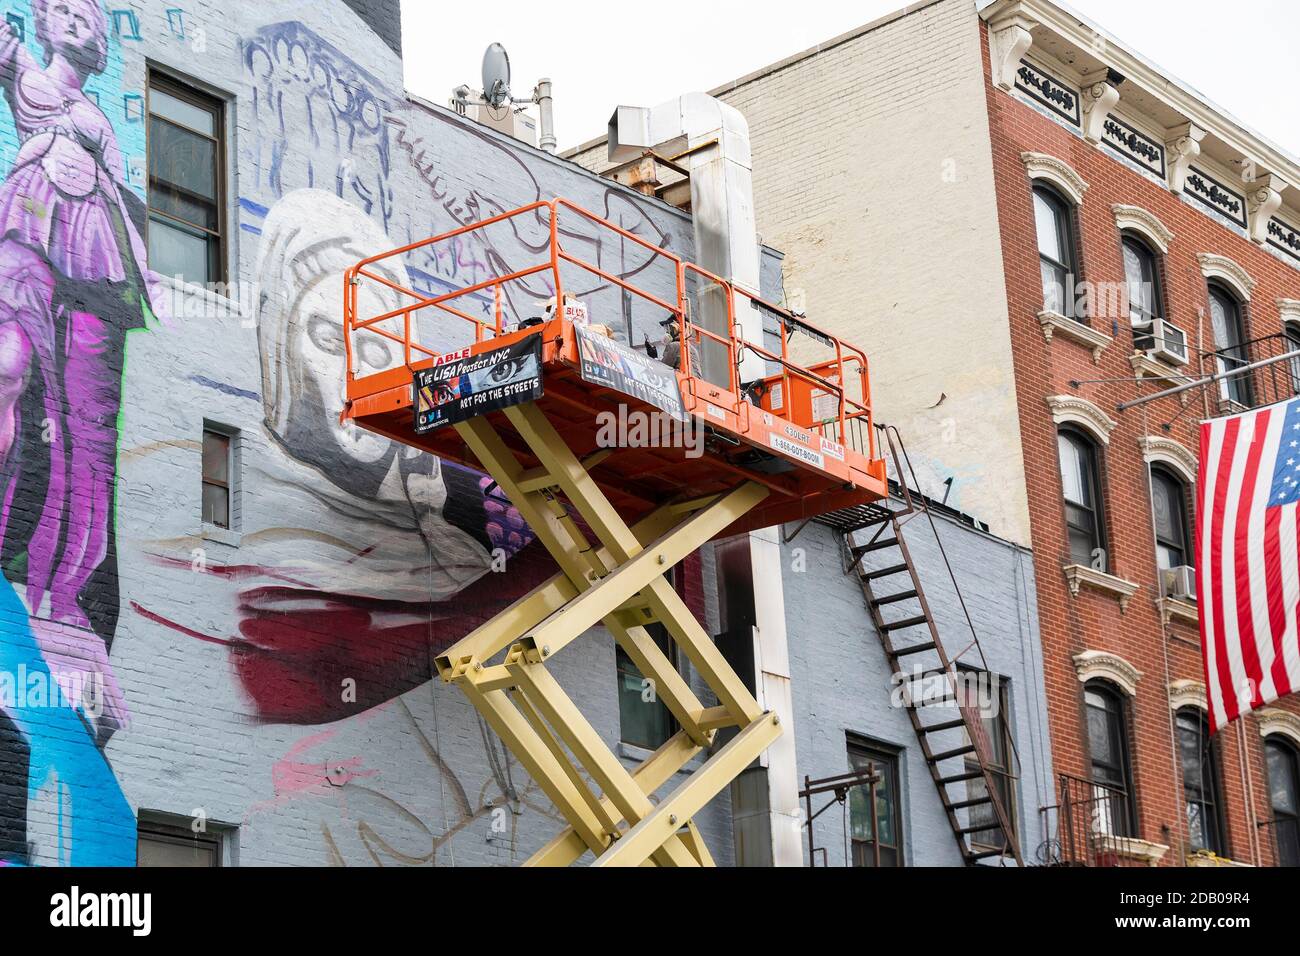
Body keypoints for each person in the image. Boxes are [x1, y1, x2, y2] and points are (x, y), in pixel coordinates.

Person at [0, 1, 161, 639]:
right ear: (41, 23)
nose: (73, 19)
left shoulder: (100, 120)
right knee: (11, 366)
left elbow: (125, 203)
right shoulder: (21, 68)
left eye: (86, 15)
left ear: (101, 40)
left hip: (95, 246)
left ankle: (64, 580)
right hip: (30, 219)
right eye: (61, 10)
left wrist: (148, 278)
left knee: (87, 425)